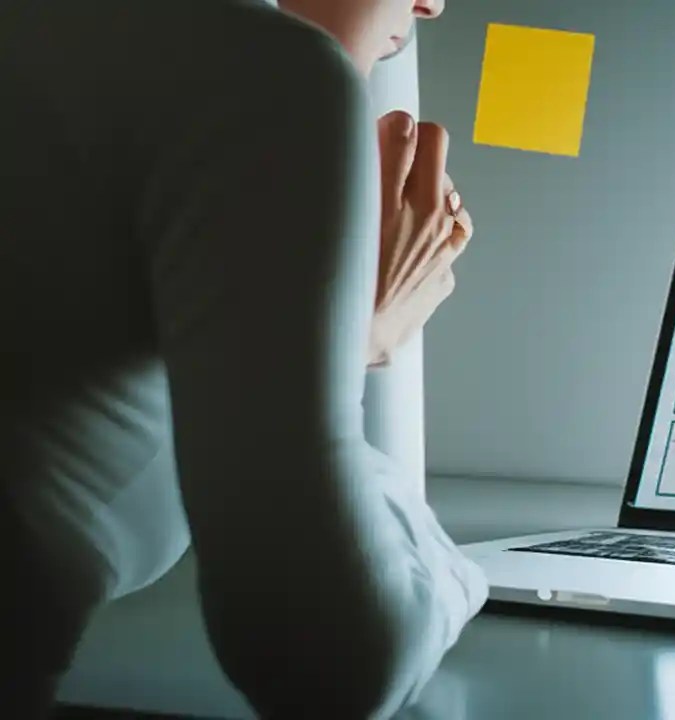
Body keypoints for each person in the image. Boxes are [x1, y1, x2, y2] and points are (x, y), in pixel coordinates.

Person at [0, 0, 488, 717]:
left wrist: (306, 327)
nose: (432, 3)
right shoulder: (258, 72)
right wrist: (462, 574)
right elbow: (331, 663)